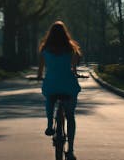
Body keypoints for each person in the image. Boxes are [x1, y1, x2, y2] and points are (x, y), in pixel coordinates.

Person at [36, 21, 82, 160]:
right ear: (65, 33)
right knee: (70, 116)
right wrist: (75, 73)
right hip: (68, 85)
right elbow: (73, 67)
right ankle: (70, 150)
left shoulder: (45, 49)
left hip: (52, 84)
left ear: (50, 34)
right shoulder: (71, 48)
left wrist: (39, 77)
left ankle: (50, 125)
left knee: (50, 97)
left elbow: (41, 69)